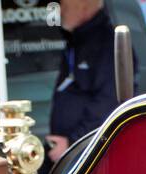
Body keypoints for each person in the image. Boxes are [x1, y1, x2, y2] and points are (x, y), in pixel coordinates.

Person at [47, 0, 119, 164]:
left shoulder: (107, 43)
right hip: (71, 150)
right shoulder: (77, 40)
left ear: (84, 7)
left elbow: (109, 102)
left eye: (64, 6)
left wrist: (73, 143)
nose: (60, 12)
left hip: (89, 152)